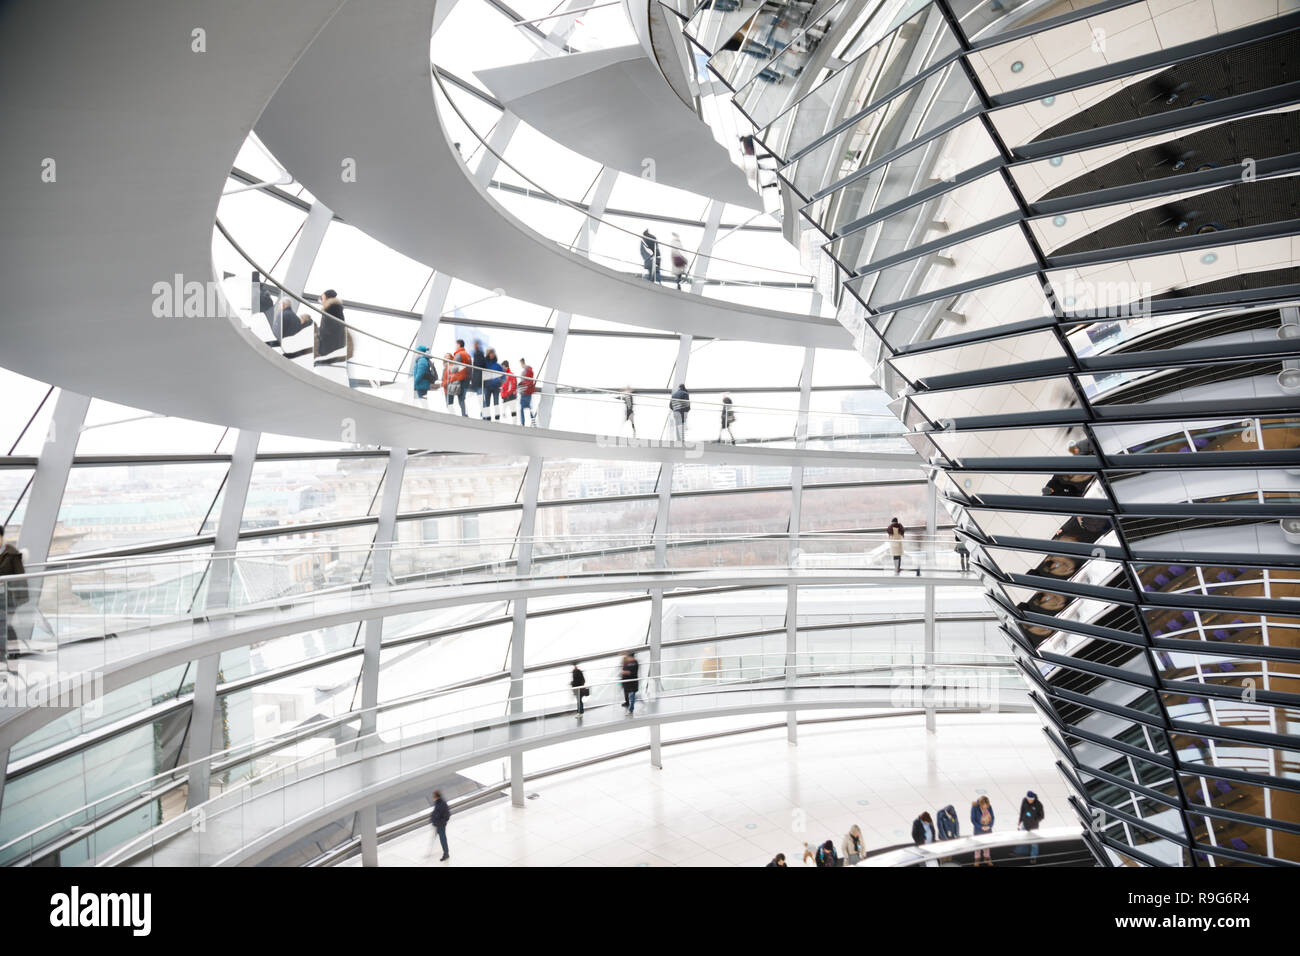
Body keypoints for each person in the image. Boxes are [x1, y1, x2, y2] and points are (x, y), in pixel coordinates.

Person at [1, 526, 28, 669]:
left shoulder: (11, 554)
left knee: (7, 624)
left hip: (9, 595)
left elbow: (20, 575)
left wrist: (20, 597)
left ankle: (13, 651)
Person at [314, 289, 349, 382]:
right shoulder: (336, 308)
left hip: (329, 349)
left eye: (322, 298)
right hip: (336, 348)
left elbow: (327, 330)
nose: (321, 300)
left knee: (326, 376)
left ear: (325, 297)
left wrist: (319, 336)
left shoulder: (330, 308)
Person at [1018, 790, 1045, 860]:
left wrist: (1034, 819)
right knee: (1022, 839)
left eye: (1031, 800)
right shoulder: (1024, 800)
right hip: (1025, 824)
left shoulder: (1038, 804)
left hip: (1034, 826)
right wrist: (1020, 821)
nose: (1030, 801)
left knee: (1034, 842)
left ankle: (1033, 856)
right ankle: (1021, 852)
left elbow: (1042, 816)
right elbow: (1022, 811)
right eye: (1028, 799)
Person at [447, 340, 472, 416]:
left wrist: (449, 368)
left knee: (454, 397)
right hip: (467, 379)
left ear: (458, 345)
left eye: (456, 345)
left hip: (459, 379)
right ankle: (464, 414)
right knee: (462, 398)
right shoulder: (468, 355)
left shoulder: (458, 354)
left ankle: (453, 415)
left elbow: (454, 369)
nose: (455, 346)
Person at [971, 795, 995, 866]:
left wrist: (989, 826)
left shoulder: (989, 806)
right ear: (980, 804)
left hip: (987, 830)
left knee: (987, 845)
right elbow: (973, 820)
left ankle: (987, 858)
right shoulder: (975, 807)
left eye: (986, 806)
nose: (985, 807)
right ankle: (977, 860)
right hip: (978, 830)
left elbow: (993, 817)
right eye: (984, 806)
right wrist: (981, 827)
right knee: (977, 846)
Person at [481, 348, 504, 421]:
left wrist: (500, 381)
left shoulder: (498, 365)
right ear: (488, 354)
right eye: (490, 353)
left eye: (493, 353)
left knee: (496, 402)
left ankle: (497, 417)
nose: (492, 355)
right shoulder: (485, 363)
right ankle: (488, 417)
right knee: (487, 402)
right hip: (487, 386)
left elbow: (503, 376)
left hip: (496, 387)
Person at [430, 789, 451, 861]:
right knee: (440, 839)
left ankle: (446, 854)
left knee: (443, 840)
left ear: (437, 797)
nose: (433, 798)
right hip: (437, 824)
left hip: (440, 825)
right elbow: (436, 812)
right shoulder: (437, 802)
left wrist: (441, 822)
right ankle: (445, 853)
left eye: (434, 796)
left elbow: (447, 815)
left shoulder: (442, 804)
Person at [518, 359, 537, 426]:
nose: (521, 366)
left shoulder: (526, 371)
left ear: (522, 363)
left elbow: (525, 381)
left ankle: (523, 423)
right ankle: (533, 421)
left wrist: (521, 385)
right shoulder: (530, 370)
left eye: (521, 364)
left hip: (525, 391)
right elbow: (530, 381)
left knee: (522, 408)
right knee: (528, 407)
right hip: (529, 391)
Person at [620, 650, 640, 716]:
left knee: (632, 696)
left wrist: (625, 672)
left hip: (632, 683)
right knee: (626, 693)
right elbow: (623, 665)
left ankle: (631, 711)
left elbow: (632, 673)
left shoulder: (634, 663)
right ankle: (627, 703)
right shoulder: (627, 661)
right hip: (626, 682)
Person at [470, 339, 486, 413]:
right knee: (480, 398)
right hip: (477, 380)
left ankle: (484, 413)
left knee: (481, 398)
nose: (474, 346)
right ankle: (483, 413)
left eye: (475, 344)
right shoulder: (477, 354)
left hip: (479, 380)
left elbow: (480, 367)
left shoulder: (479, 354)